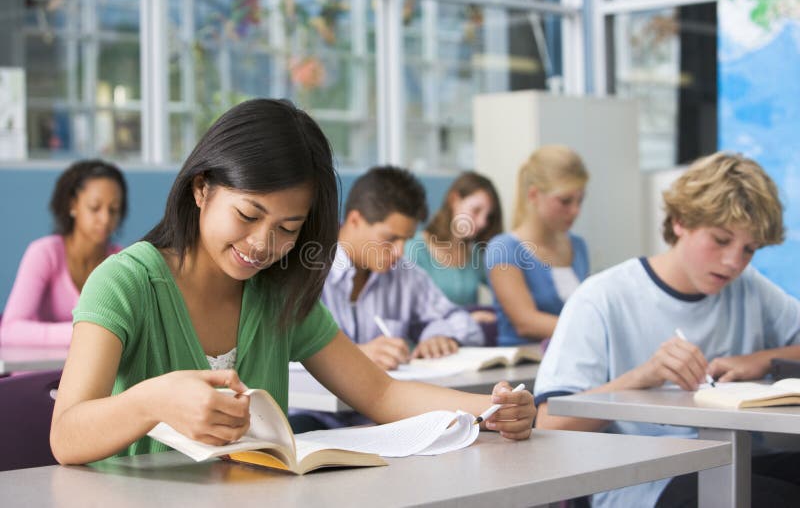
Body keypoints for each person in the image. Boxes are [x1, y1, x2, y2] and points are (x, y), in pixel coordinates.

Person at [49, 99, 535, 464]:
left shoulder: (278, 292)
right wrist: (150, 400)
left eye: (287, 229)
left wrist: (490, 409)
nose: (262, 244)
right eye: (248, 214)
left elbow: (381, 394)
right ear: (202, 189)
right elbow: (65, 435)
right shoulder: (124, 282)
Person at [534, 152, 800, 508]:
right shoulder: (601, 298)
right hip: (642, 479)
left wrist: (763, 360)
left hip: (738, 459)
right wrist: (639, 378)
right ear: (680, 222)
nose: (734, 262)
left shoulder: (749, 289)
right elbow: (548, 426)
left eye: (749, 249)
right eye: (721, 240)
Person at [289, 166, 487, 432]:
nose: (399, 251)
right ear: (355, 220)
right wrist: (352, 357)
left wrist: (440, 335)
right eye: (390, 238)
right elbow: (281, 354)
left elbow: (461, 320)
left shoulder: (406, 277)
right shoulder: (302, 273)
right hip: (314, 419)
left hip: (384, 419)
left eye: (405, 239)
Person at [0, 160, 127, 348]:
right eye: (94, 208)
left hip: (98, 374)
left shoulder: (122, 262)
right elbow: (9, 330)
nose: (105, 219)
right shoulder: (44, 254)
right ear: (72, 205)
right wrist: (87, 331)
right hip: (41, 374)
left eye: (113, 210)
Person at [486, 145, 590, 345]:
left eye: (580, 201)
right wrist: (591, 326)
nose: (575, 211)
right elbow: (526, 322)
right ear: (533, 195)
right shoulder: (504, 249)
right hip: (523, 367)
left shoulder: (578, 246)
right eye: (565, 201)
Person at [404, 171, 502, 313]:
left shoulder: (475, 254)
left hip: (471, 334)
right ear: (454, 200)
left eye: (488, 216)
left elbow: (506, 291)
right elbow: (411, 311)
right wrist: (467, 319)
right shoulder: (414, 248)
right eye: (476, 210)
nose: (482, 222)